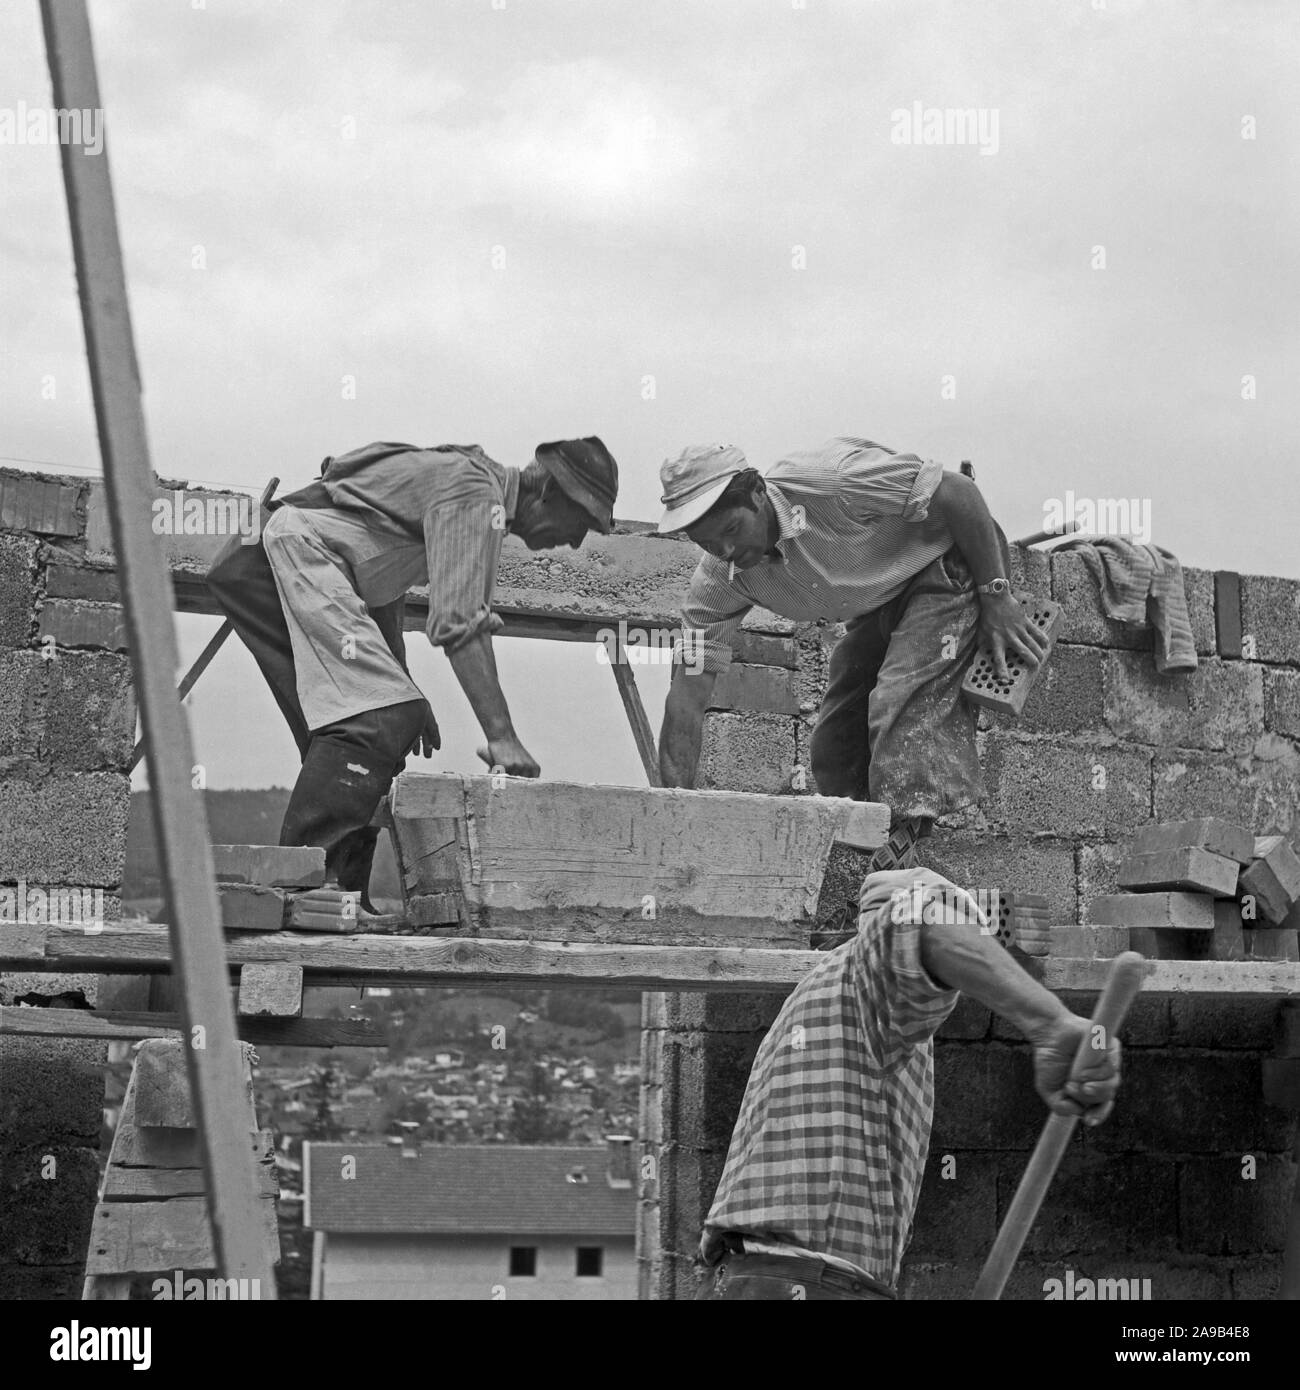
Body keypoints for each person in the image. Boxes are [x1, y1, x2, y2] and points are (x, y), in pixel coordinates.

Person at [207, 437, 618, 911]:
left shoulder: (460, 486)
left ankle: (338, 899)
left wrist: (406, 685)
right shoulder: (475, 495)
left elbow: (377, 584)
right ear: (547, 491)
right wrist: (501, 736)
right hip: (284, 553)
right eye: (581, 520)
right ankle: (304, 893)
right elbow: (460, 623)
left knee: (377, 727)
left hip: (269, 562)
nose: (577, 540)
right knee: (375, 721)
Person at [695, 869, 1123, 1300]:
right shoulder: (872, 986)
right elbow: (920, 920)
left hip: (754, 1277)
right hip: (803, 1283)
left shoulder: (818, 999)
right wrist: (1051, 1023)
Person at [656, 438, 1048, 882]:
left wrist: (996, 597)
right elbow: (686, 698)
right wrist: (671, 813)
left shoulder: (831, 483)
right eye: (709, 544)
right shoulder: (718, 583)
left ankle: (894, 870)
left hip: (951, 562)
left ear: (758, 493)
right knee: (835, 747)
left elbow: (957, 491)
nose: (725, 552)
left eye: (731, 530)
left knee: (900, 706)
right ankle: (862, 870)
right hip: (881, 599)